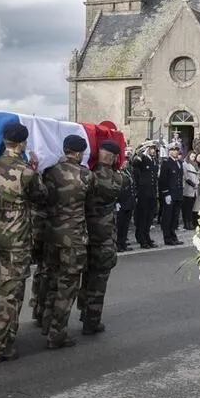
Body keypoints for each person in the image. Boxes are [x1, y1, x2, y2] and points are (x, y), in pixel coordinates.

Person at [0, 122, 47, 363]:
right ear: (21, 143)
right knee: (12, 291)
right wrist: (35, 167)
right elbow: (41, 196)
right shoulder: (26, 171)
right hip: (17, 235)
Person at [41, 134, 94, 349]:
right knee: (68, 285)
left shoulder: (49, 172)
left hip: (52, 233)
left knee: (51, 279)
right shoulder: (85, 175)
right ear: (80, 153)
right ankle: (57, 333)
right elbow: (90, 202)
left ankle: (45, 322)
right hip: (73, 236)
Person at [80, 141, 123, 334]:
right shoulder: (116, 179)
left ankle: (82, 310)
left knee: (83, 276)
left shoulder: (85, 174)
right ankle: (91, 320)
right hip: (103, 236)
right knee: (98, 280)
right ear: (114, 157)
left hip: (81, 232)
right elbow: (126, 184)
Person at [131, 142, 159, 249]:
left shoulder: (153, 161)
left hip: (151, 193)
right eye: (151, 149)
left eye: (154, 149)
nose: (153, 151)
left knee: (149, 217)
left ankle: (147, 236)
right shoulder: (142, 159)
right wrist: (141, 154)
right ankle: (142, 239)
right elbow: (134, 164)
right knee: (142, 217)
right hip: (143, 193)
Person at [158, 144, 184, 246]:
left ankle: (173, 235)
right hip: (169, 194)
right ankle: (167, 237)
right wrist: (166, 193)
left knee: (175, 217)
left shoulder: (179, 163)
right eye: (173, 150)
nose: (176, 152)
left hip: (177, 193)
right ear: (169, 151)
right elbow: (163, 180)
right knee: (168, 216)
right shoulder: (166, 163)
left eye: (177, 150)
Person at [114, 153, 136, 252]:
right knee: (120, 224)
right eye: (123, 160)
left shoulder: (127, 171)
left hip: (128, 201)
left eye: (126, 160)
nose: (125, 162)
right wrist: (116, 201)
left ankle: (123, 243)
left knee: (126, 224)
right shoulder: (116, 173)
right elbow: (116, 189)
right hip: (121, 202)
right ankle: (118, 244)